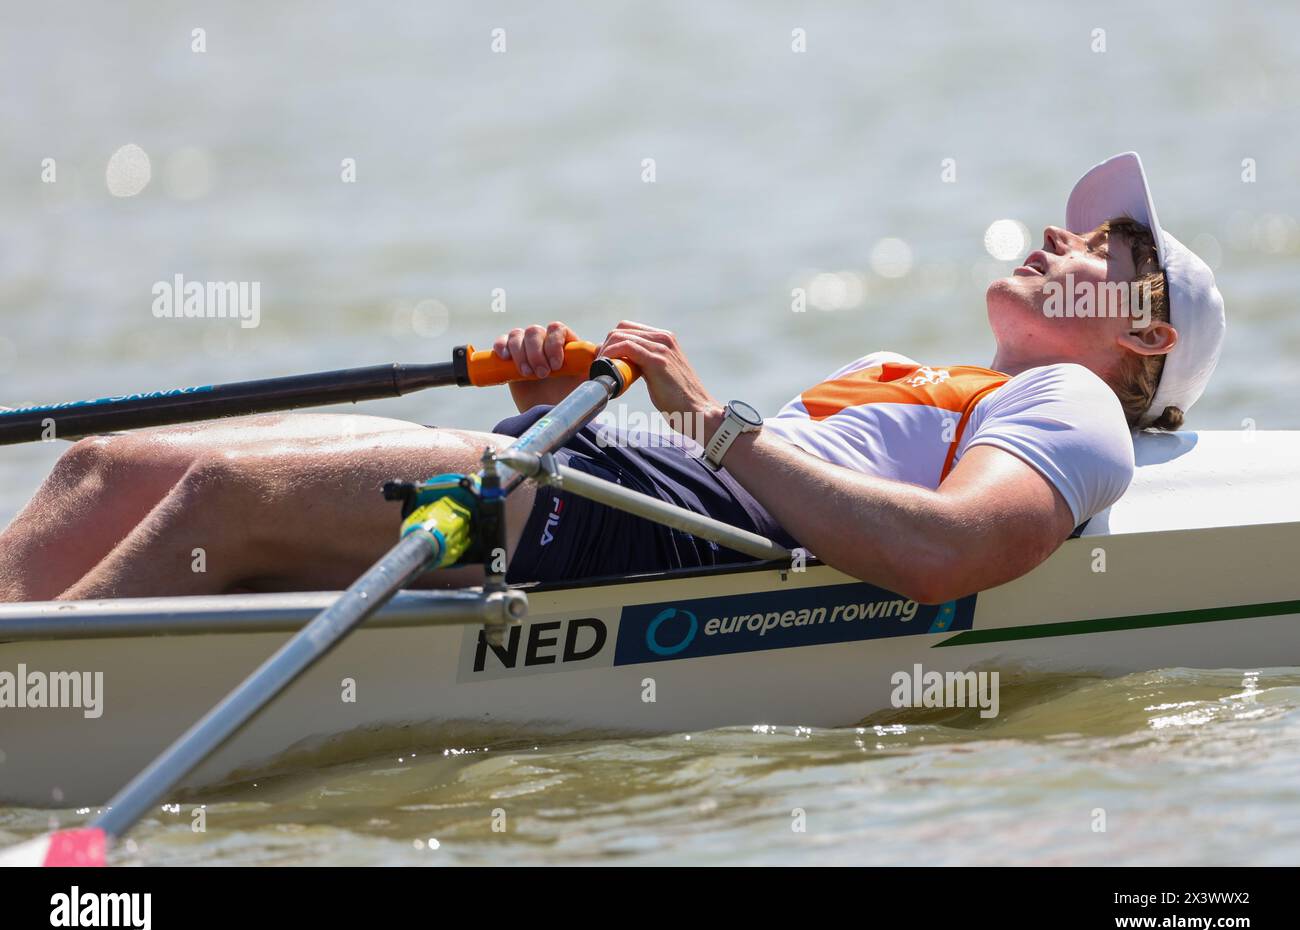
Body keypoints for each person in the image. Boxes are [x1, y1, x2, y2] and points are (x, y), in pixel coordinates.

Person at [0, 153, 1225, 605]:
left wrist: (700, 407)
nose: (1058, 242)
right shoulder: (916, 375)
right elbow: (738, 470)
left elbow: (945, 555)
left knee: (219, 490)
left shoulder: (1066, 405)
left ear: (1145, 342)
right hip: (626, 487)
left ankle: (41, 723)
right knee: (103, 467)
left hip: (679, 520)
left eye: (1101, 250)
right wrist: (552, 412)